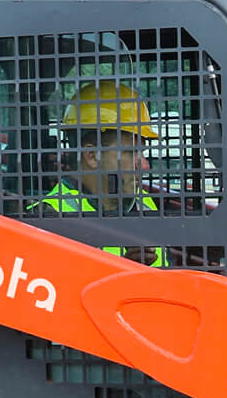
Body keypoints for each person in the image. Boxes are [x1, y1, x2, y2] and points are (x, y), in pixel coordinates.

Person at [32, 78, 166, 264]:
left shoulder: (144, 203)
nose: (144, 165)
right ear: (92, 155)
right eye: (131, 152)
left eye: (141, 152)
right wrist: (126, 269)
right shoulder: (49, 219)